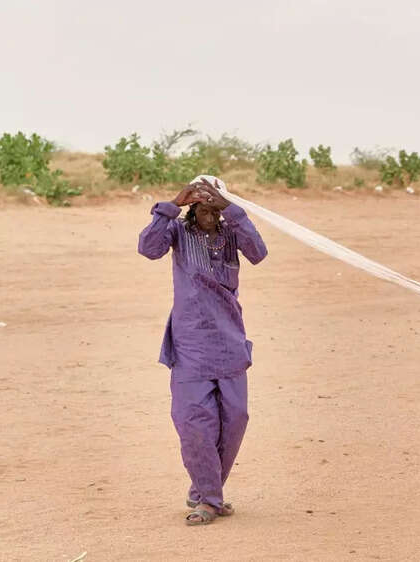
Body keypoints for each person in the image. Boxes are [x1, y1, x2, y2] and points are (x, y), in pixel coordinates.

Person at [138, 175, 268, 525]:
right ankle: (209, 499)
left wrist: (232, 209)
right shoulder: (178, 232)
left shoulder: (231, 232)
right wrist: (171, 205)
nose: (208, 212)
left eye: (214, 206)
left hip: (230, 343)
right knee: (195, 422)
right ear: (192, 208)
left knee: (235, 419)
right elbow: (148, 248)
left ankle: (204, 490)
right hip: (190, 344)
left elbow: (258, 252)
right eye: (201, 206)